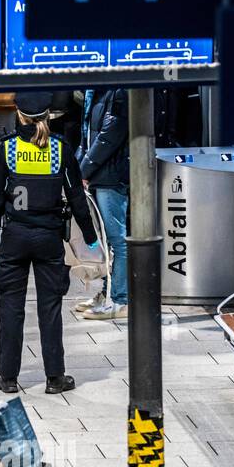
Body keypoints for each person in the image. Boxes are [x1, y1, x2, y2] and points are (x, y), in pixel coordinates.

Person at [0, 92, 98, 396]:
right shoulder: (60, 149)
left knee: (10, 308)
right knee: (50, 308)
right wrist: (90, 238)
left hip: (15, 238)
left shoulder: (8, 149)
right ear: (47, 115)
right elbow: (77, 198)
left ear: (19, 113)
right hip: (49, 238)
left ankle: (9, 377)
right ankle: (55, 377)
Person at [76, 87, 129, 321]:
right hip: (100, 173)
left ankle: (120, 300)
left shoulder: (117, 93)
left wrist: (84, 169)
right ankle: (108, 294)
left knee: (117, 239)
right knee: (107, 241)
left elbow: (110, 136)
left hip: (111, 175)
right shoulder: (95, 92)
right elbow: (87, 135)